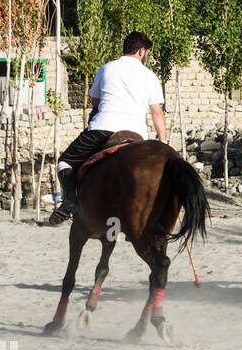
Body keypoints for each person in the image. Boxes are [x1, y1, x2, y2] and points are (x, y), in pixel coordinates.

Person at [48, 31, 167, 224]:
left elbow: (95, 101)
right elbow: (157, 112)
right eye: (147, 53)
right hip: (137, 134)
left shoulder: (106, 69)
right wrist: (163, 143)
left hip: (101, 128)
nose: (147, 56)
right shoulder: (150, 76)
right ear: (141, 51)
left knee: (65, 162)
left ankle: (70, 201)